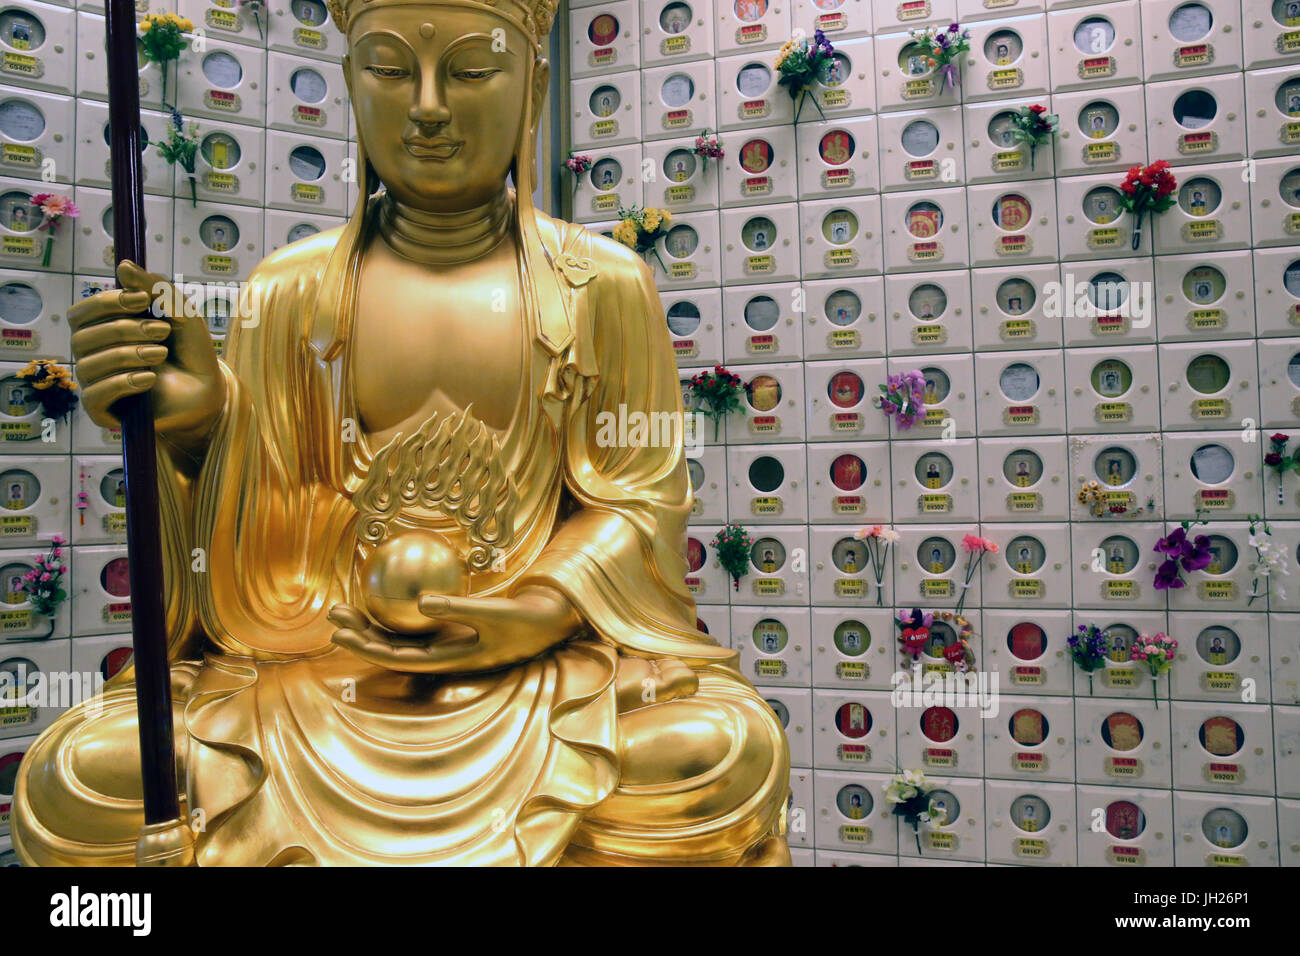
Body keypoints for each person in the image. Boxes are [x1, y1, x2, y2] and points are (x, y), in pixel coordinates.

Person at [16, 0, 790, 868]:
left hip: (536, 679)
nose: (426, 105)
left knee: (717, 750)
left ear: (533, 89)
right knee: (84, 773)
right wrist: (197, 429)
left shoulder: (600, 283)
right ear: (351, 84)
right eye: (389, 69)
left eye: (466, 71)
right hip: (320, 670)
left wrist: (536, 611)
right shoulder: (287, 291)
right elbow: (257, 539)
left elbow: (642, 498)